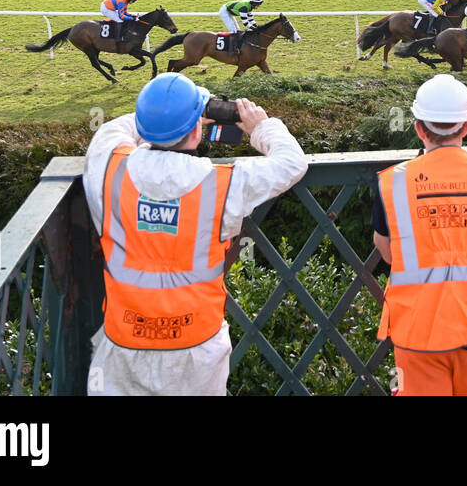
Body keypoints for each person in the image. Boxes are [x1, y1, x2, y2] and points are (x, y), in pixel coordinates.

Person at [82, 72, 308, 395]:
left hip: (124, 345)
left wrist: (165, 110)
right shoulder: (222, 184)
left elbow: (113, 129)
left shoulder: (109, 166)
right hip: (196, 350)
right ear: (195, 130)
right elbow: (291, 163)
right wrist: (261, 127)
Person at [373, 75, 467, 396]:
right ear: (466, 126)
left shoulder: (393, 182)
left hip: (418, 330)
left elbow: (388, 251)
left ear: (419, 128)